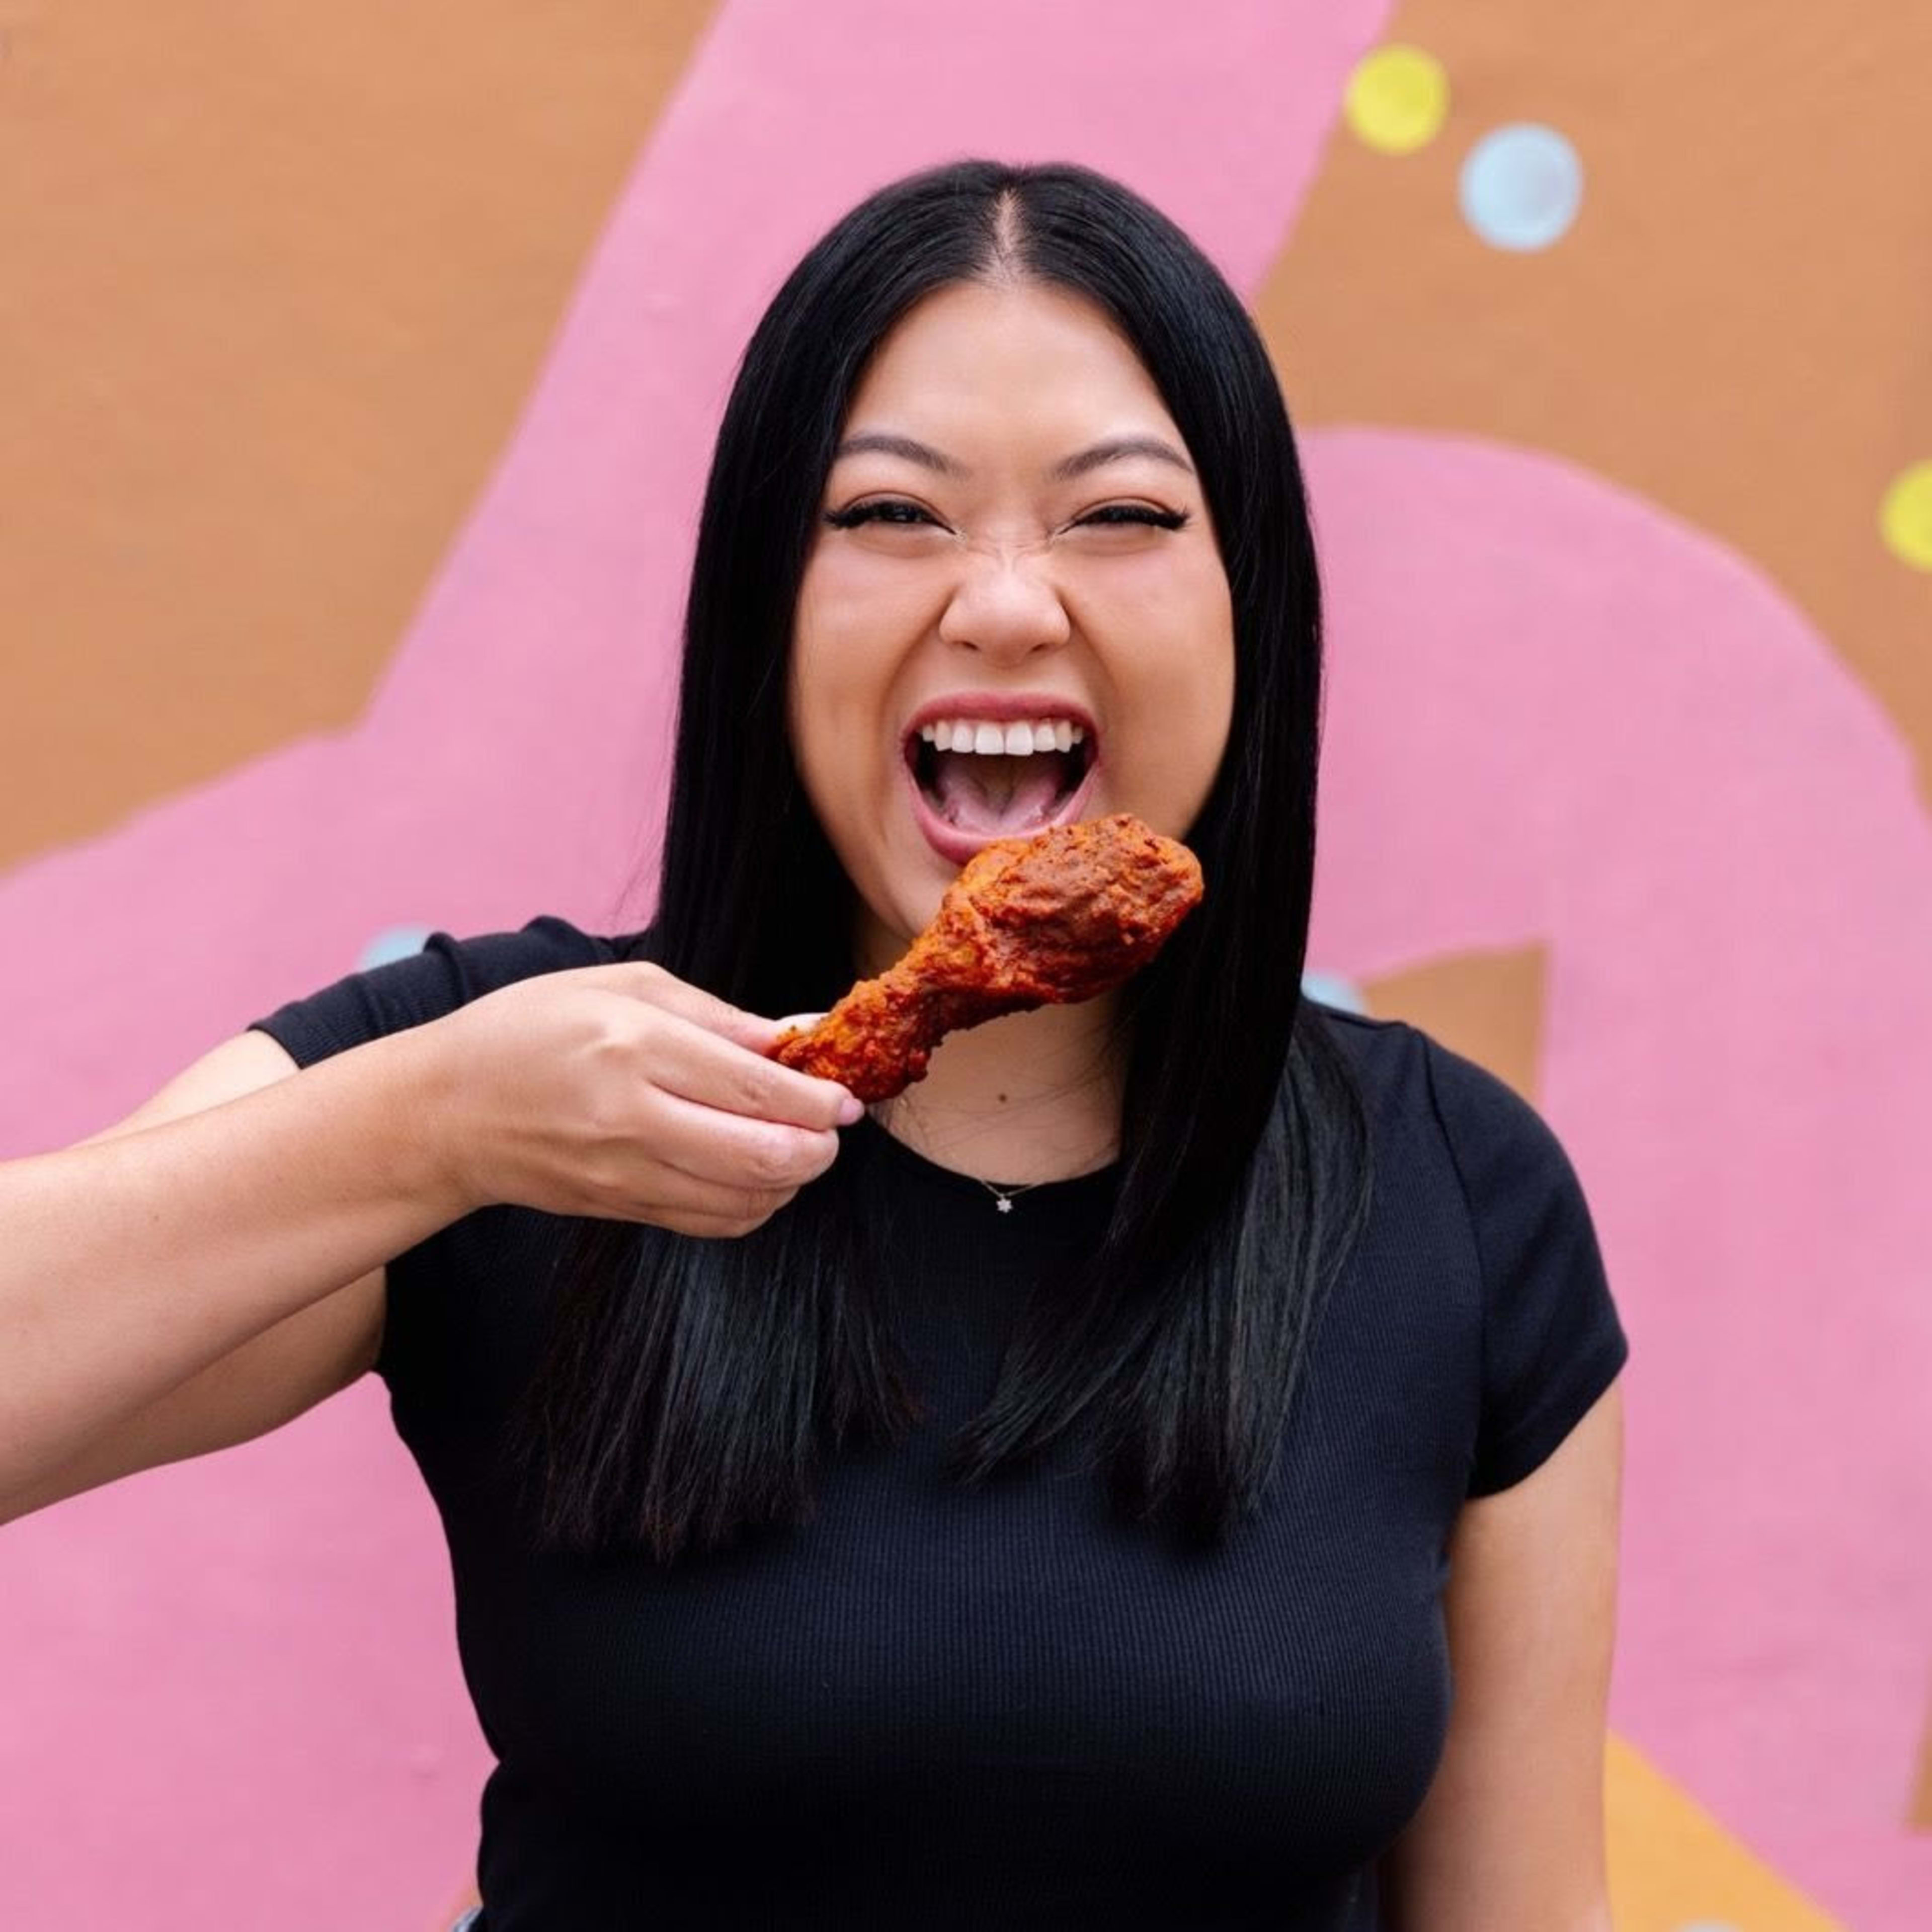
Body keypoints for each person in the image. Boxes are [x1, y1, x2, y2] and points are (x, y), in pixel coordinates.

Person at [2, 159, 1628, 1930]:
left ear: (1258, 608)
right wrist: (427, 1131)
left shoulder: (1458, 1194)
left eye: (1122, 516)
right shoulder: (520, 1087)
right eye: (891, 514)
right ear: (761, 605)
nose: (1006, 605)